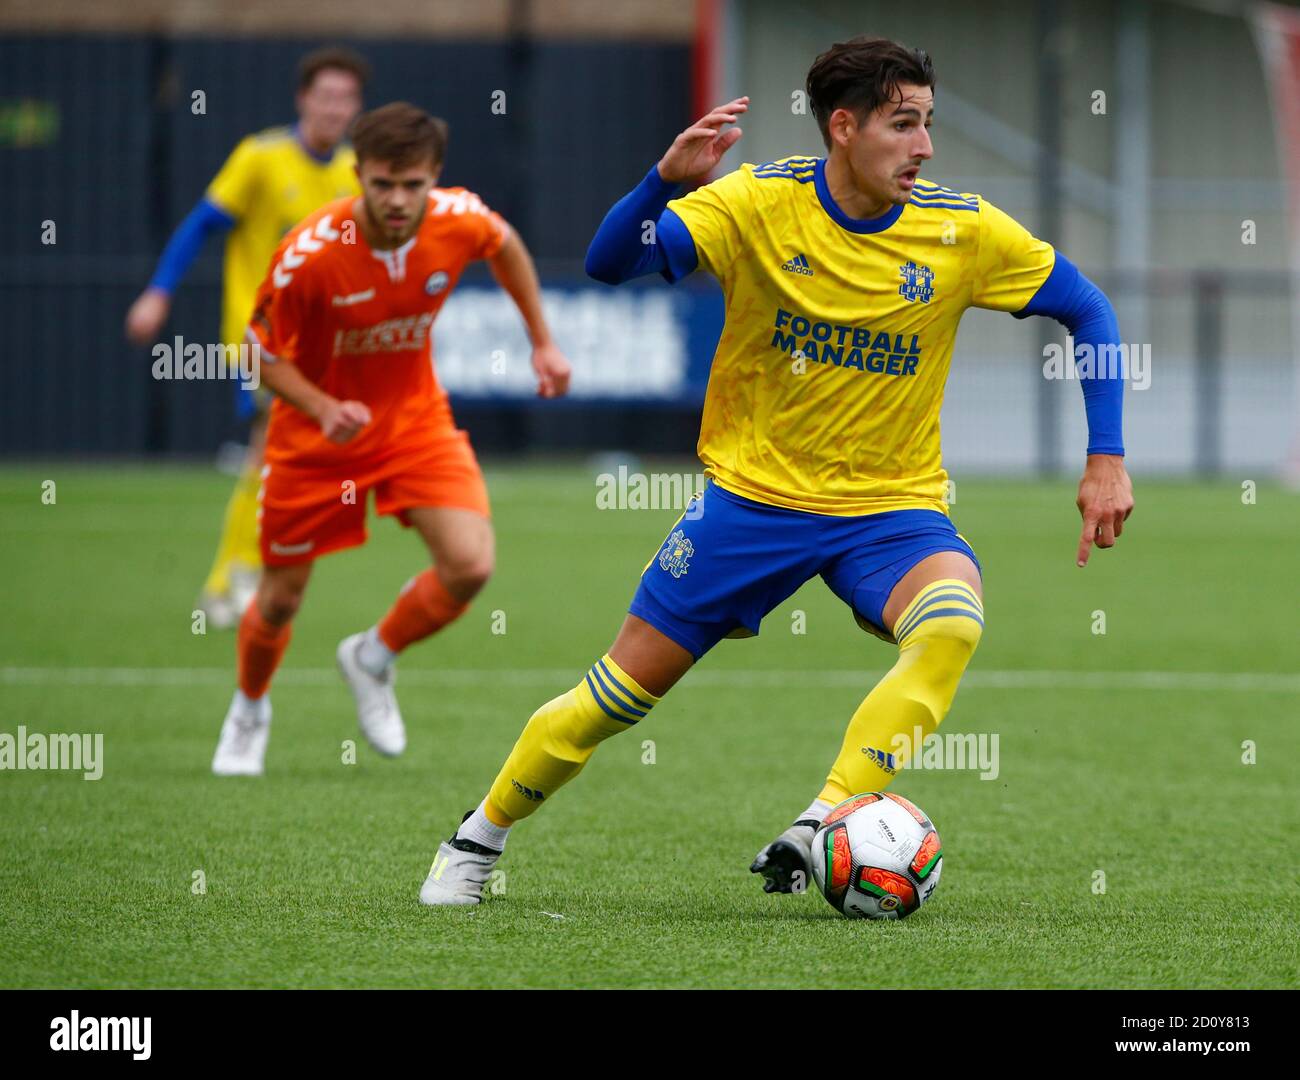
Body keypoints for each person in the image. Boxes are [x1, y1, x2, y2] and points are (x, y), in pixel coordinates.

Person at [418, 36, 1132, 906]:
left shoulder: (961, 230)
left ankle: (823, 819)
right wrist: (663, 182)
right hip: (751, 503)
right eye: (904, 125)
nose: (925, 147)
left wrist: (1106, 458)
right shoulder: (757, 203)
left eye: (928, 125)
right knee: (612, 699)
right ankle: (476, 840)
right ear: (844, 126)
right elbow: (612, 262)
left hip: (891, 509)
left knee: (951, 627)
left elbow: (1087, 308)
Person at [210, 102, 572, 776]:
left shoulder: (458, 218)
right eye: (383, 184)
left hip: (413, 422)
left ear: (435, 176)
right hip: (313, 440)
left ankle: (373, 655)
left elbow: (507, 246)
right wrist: (320, 405)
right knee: (282, 596)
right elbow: (255, 353)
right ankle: (249, 708)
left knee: (470, 565)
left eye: (414, 184)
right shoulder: (311, 256)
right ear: (359, 176)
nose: (399, 200)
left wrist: (543, 343)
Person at [126, 47, 370, 628]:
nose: (335, 108)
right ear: (303, 99)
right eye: (325, 95)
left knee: (290, 460)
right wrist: (159, 291)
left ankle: (247, 571)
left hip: (324, 346)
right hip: (263, 341)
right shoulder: (261, 158)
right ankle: (229, 580)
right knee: (268, 447)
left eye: (346, 98)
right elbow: (200, 225)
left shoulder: (354, 172)